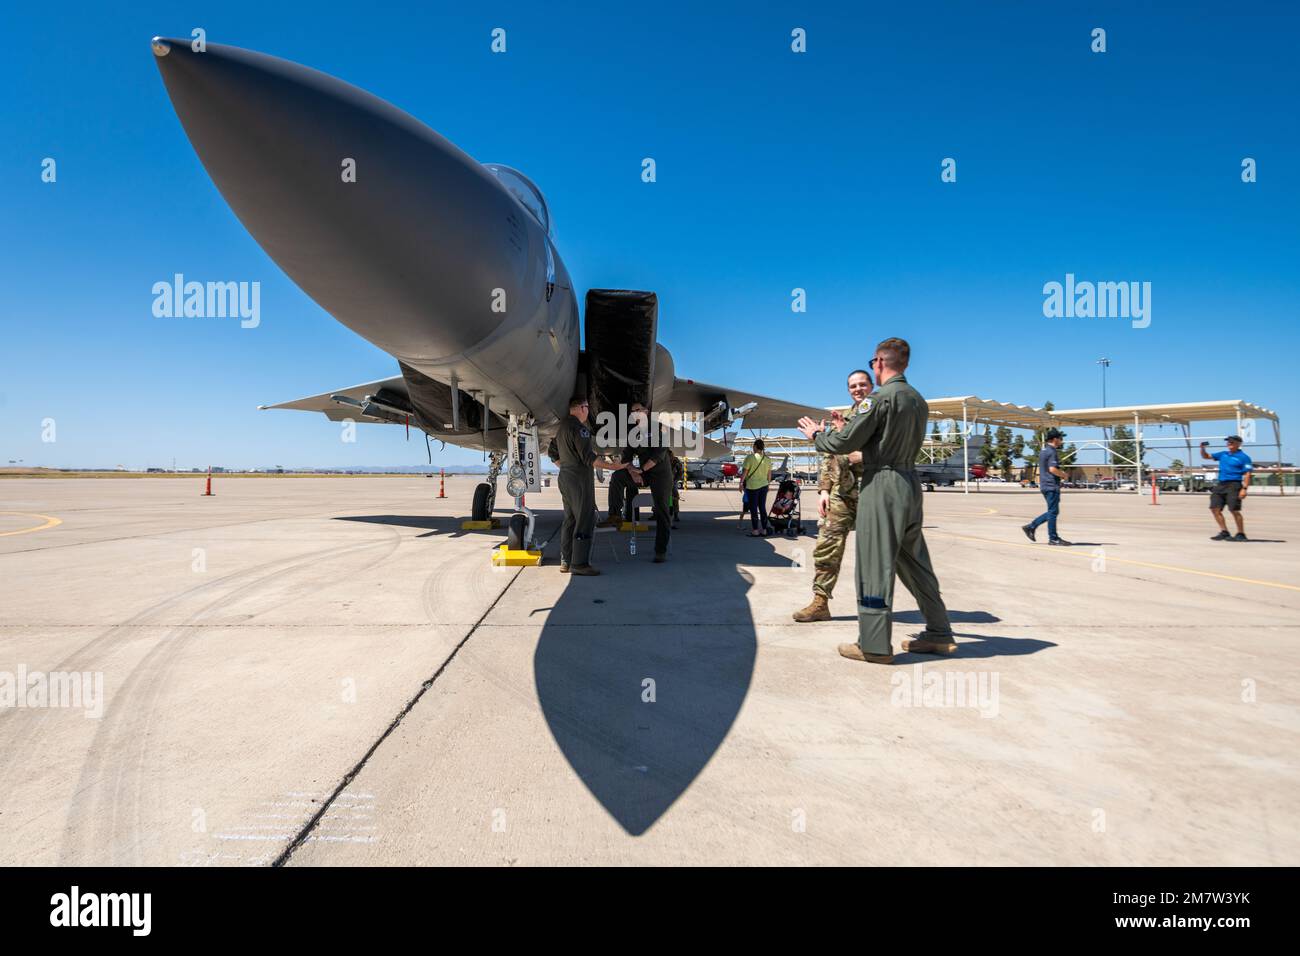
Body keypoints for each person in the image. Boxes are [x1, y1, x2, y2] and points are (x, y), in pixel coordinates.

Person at [798, 337, 954, 664]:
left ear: (879, 363)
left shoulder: (880, 399)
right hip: (909, 484)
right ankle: (939, 633)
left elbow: (843, 441)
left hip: (881, 483)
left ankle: (873, 644)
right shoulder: (916, 399)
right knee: (915, 563)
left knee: (873, 564)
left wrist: (817, 435)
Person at [793, 369, 873, 622]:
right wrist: (824, 490)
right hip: (841, 493)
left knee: (883, 554)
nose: (858, 389)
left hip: (873, 491)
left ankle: (877, 610)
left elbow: (892, 449)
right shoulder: (845, 417)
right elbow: (830, 456)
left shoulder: (878, 414)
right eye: (853, 386)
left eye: (862, 384)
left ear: (871, 386)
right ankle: (820, 603)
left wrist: (865, 455)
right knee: (826, 546)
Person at [600, 402, 673, 562]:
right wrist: (633, 471)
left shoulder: (659, 428)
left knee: (662, 511)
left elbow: (659, 455)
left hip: (660, 474)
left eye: (637, 410)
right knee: (618, 477)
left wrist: (641, 470)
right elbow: (626, 458)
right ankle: (614, 515)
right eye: (632, 412)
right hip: (643, 473)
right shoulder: (633, 433)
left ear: (646, 412)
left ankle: (660, 550)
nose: (634, 413)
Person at [554, 395, 610, 575]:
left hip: (565, 477)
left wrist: (567, 467)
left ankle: (566, 560)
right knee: (585, 519)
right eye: (586, 407)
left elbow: (551, 450)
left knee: (570, 519)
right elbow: (589, 459)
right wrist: (614, 466)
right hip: (579, 480)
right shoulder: (580, 429)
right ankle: (580, 564)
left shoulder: (562, 427)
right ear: (580, 408)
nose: (588, 411)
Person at [1022, 428, 1071, 546]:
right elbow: (1052, 469)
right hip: (1051, 486)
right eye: (1060, 438)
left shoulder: (1043, 451)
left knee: (1053, 511)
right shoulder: (1052, 451)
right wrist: (1064, 475)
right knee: (1053, 512)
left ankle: (1031, 527)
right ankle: (1052, 538)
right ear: (1055, 439)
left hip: (1045, 485)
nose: (1061, 441)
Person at [1202, 435, 1253, 541]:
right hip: (1221, 484)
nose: (1229, 443)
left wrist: (1244, 489)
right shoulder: (1223, 454)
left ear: (1239, 444)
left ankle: (1241, 533)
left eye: (1232, 442)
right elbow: (1206, 456)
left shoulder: (1244, 457)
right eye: (1228, 442)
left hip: (1234, 484)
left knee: (1234, 509)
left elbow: (1248, 474)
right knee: (1214, 508)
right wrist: (1202, 448)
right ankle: (1224, 531)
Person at [741, 439, 774, 536]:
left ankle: (755, 530)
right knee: (762, 508)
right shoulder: (767, 459)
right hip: (764, 486)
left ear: (755, 446)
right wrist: (768, 485)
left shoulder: (750, 458)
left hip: (752, 487)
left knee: (754, 509)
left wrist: (741, 483)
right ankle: (764, 530)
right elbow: (769, 475)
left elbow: (745, 472)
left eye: (753, 446)